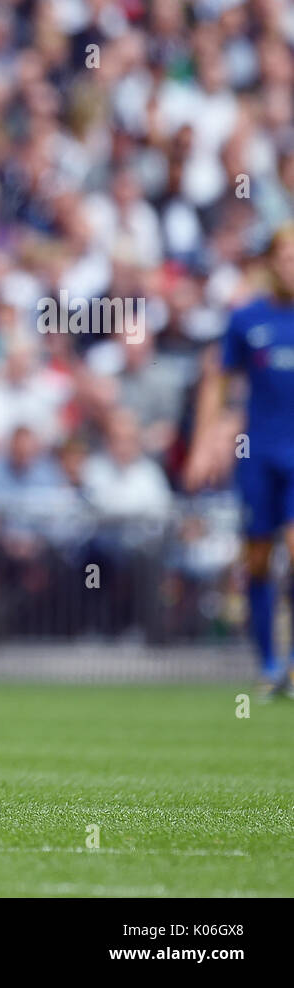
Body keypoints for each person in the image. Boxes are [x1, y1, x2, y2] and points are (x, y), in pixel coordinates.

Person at [186, 224, 294, 699]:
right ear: (271, 262)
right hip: (260, 455)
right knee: (256, 559)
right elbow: (218, 379)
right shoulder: (247, 320)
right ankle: (269, 664)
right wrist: (205, 441)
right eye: (287, 255)